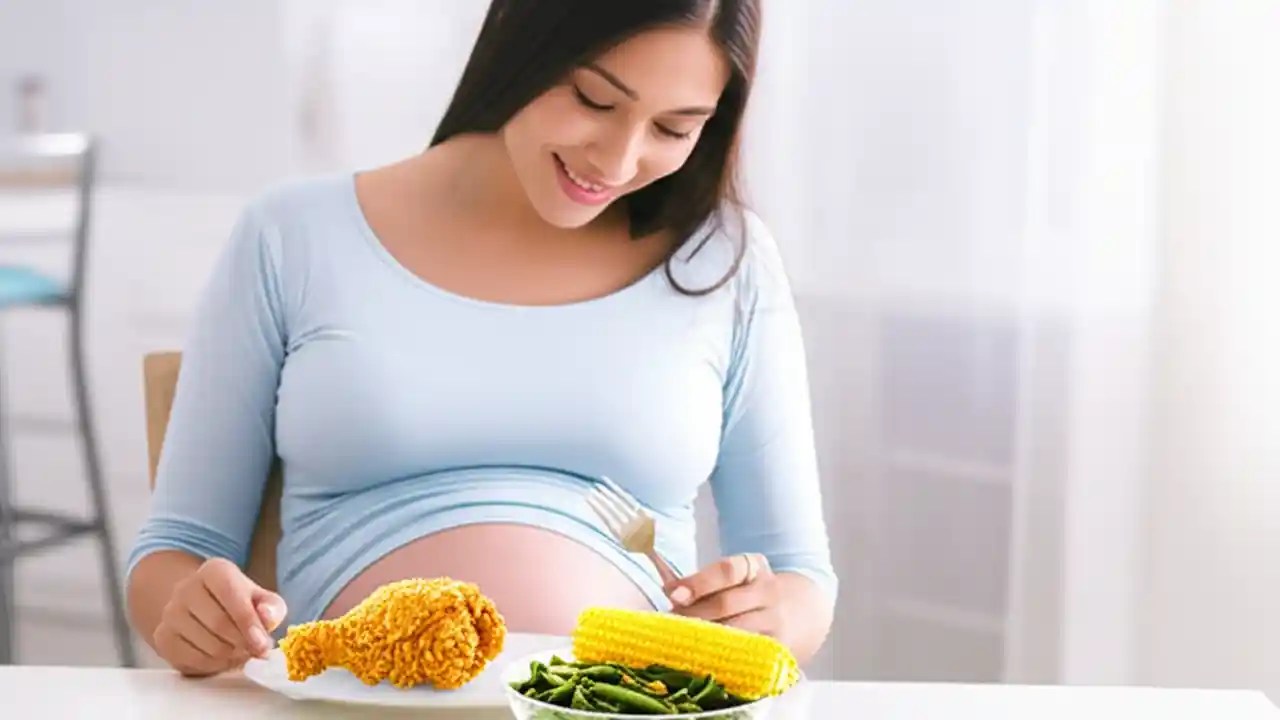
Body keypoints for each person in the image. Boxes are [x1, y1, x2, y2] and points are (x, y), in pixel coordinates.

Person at [125, 0, 837, 679]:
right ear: (523, 50)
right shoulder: (292, 235)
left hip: (615, 708)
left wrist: (774, 615)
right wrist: (195, 618)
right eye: (594, 100)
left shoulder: (725, 262)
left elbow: (799, 573)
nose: (618, 162)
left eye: (674, 129)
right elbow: (172, 558)